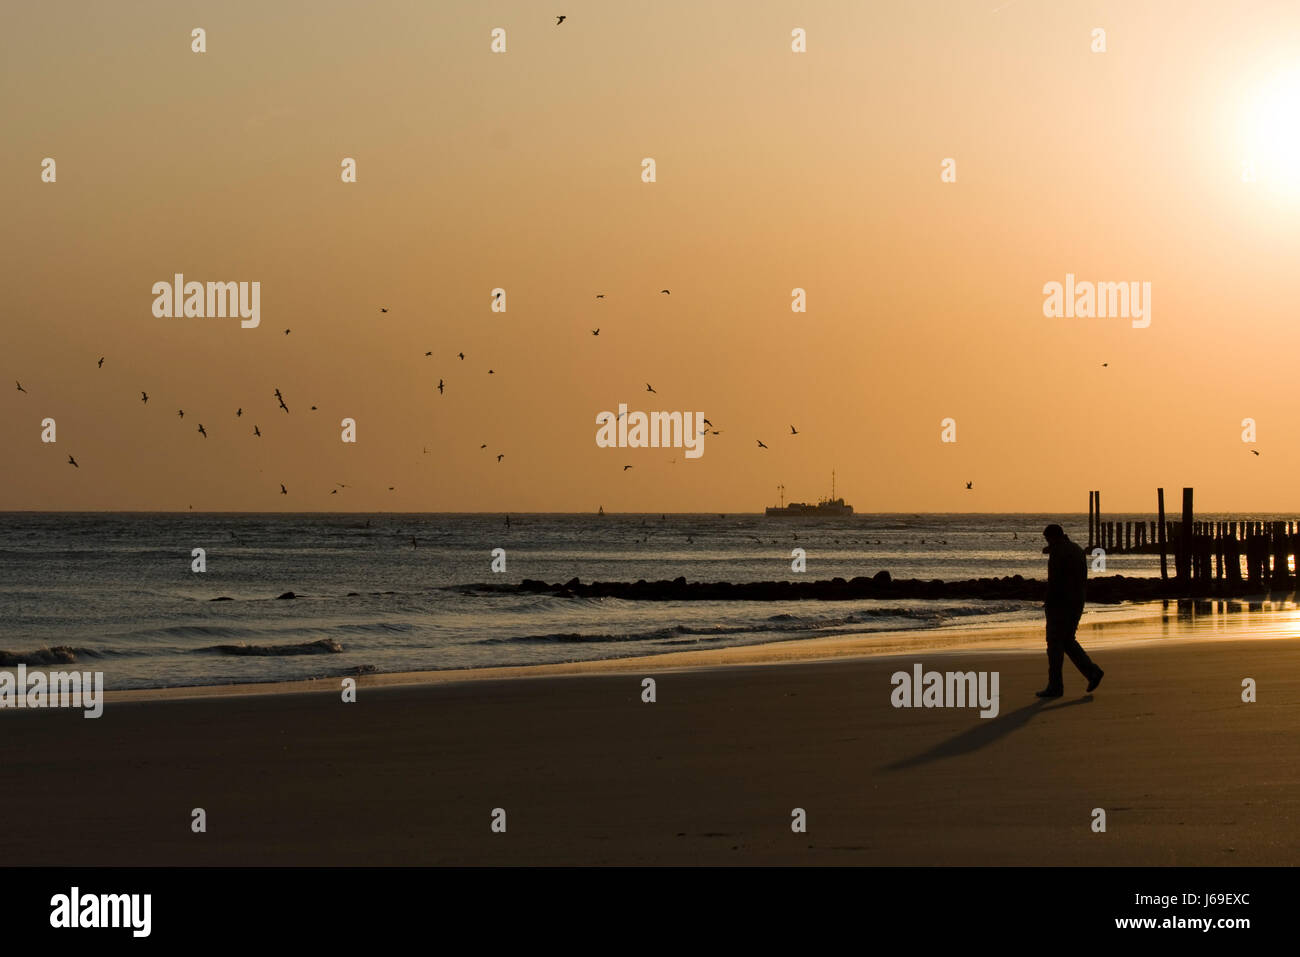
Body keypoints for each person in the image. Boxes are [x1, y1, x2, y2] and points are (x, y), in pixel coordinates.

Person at [1037, 524, 1104, 698]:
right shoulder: (1076, 549)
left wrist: (1048, 602)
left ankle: (1055, 686)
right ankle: (1092, 672)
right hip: (1077, 602)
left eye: (1047, 539)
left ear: (1052, 537)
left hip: (1060, 604)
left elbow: (1055, 581)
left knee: (1054, 645)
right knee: (1067, 640)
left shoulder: (1058, 553)